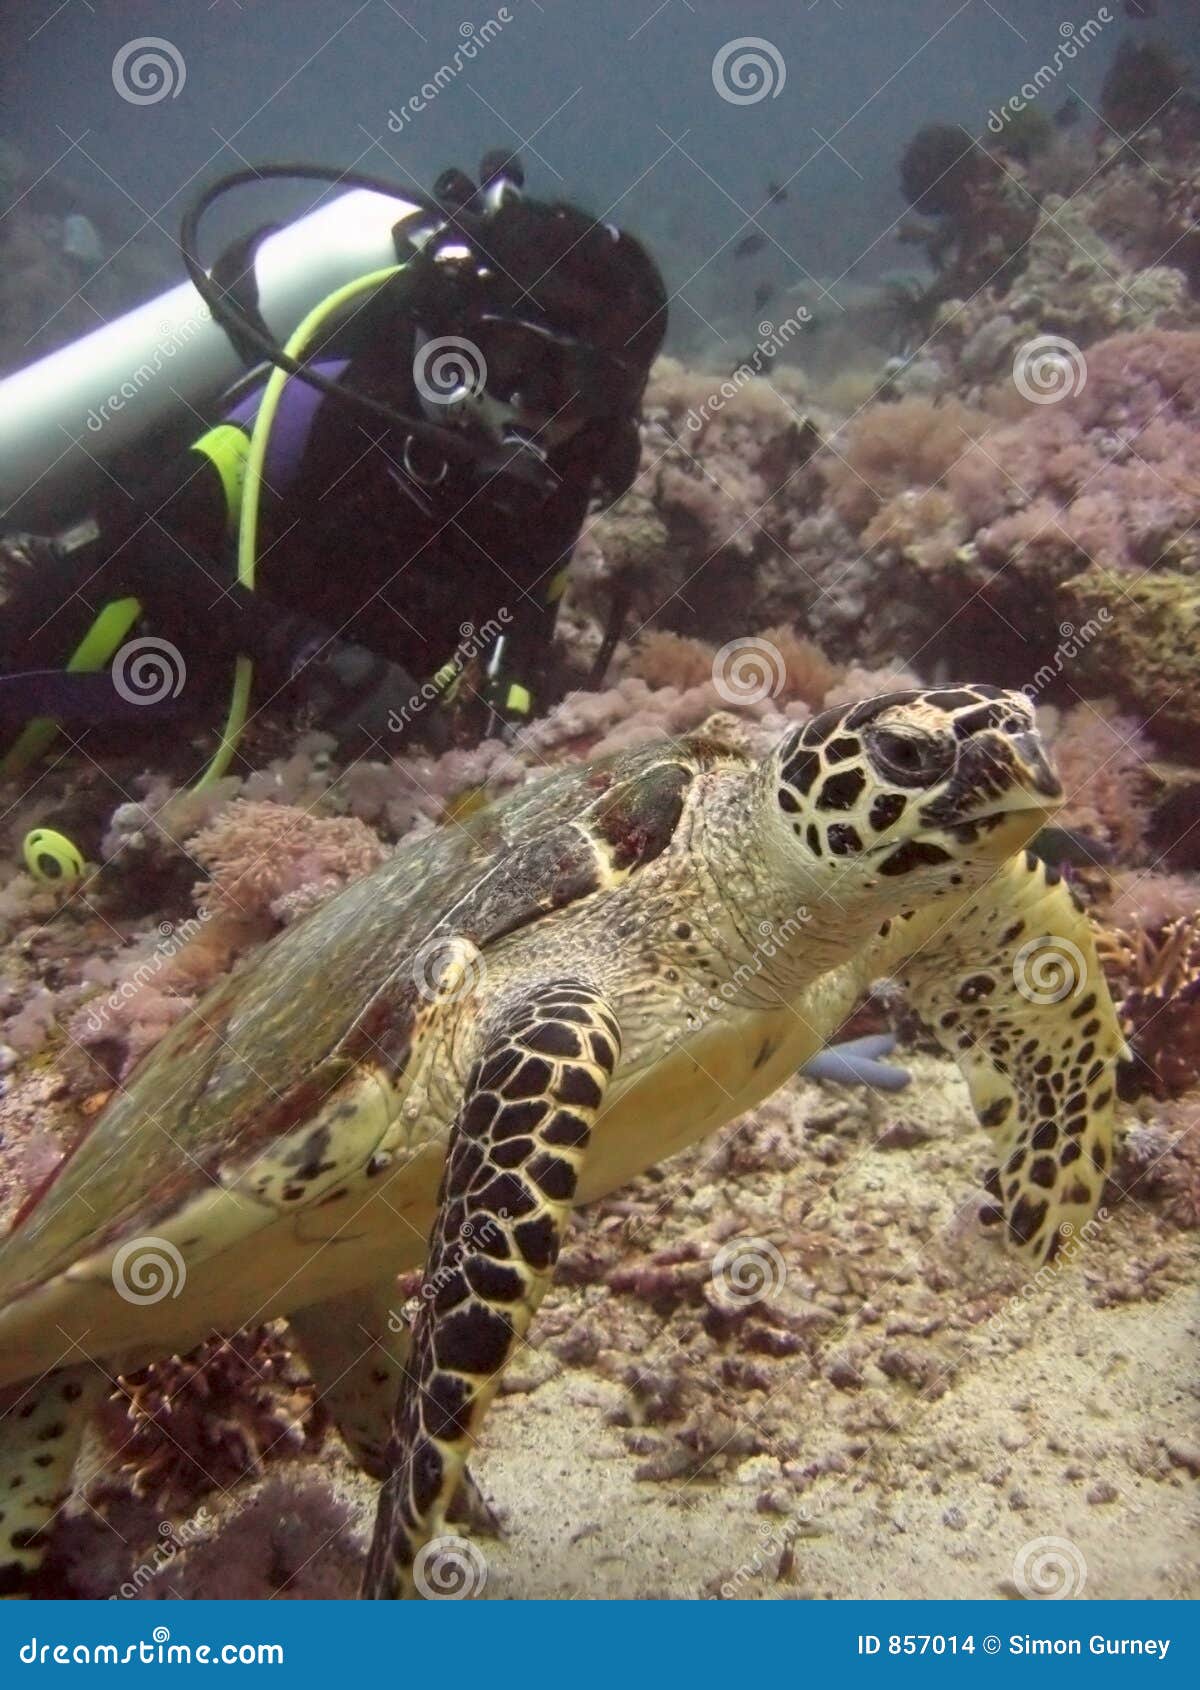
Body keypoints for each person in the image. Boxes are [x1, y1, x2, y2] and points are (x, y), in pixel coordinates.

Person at [0, 152, 668, 798]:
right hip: (111, 665)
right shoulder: (345, 389)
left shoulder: (565, 470)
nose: (546, 415)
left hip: (261, 753)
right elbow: (138, 525)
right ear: (461, 336)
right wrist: (304, 653)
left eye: (588, 393)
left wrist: (499, 747)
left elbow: (519, 642)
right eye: (526, 364)